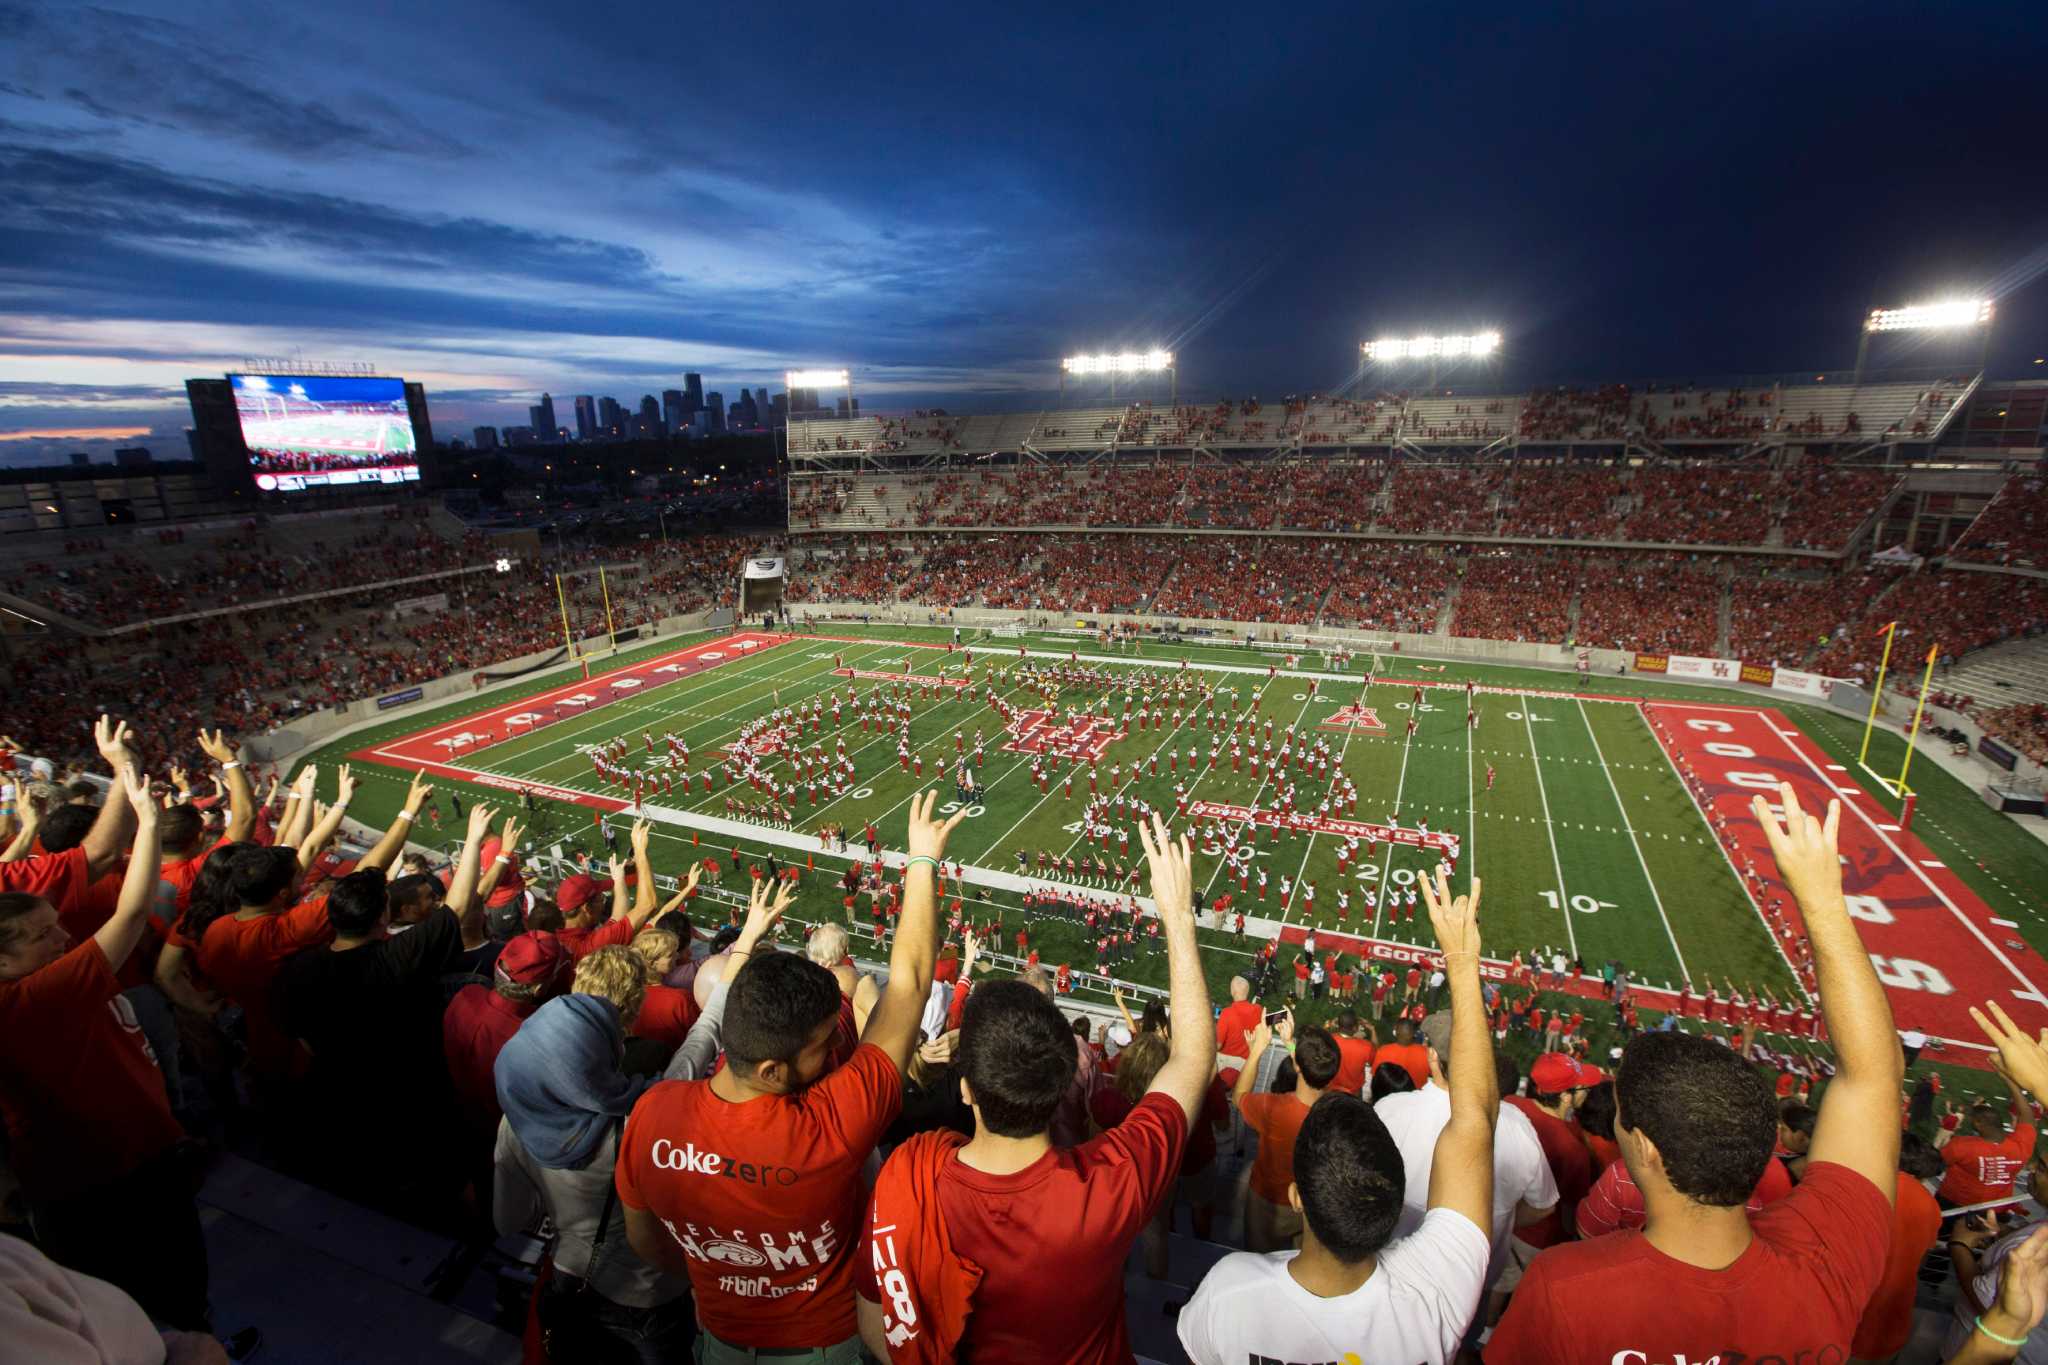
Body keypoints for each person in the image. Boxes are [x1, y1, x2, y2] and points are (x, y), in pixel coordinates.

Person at [1488, 783, 1904, 1362]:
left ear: (1649, 1149)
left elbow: (1873, 1077)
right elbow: (1874, 1078)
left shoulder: (1566, 1286)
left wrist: (1820, 903)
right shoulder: (1825, 1257)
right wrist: (1825, 905)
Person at [856, 811, 1216, 1362]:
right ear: (1061, 1084)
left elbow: (877, 1325)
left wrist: (922, 861)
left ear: (967, 1090)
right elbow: (1191, 1060)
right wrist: (1178, 919)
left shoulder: (910, 1170)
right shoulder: (1107, 1186)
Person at [616, 792, 963, 1364]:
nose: (833, 1055)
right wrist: (922, 860)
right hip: (823, 1342)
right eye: (823, 1044)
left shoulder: (654, 1111)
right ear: (773, 1067)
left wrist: (723, 1276)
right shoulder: (835, 1120)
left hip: (719, 1341)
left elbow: (644, 1242)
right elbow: (911, 982)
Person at [1181, 869, 1497, 1365]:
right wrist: (1462, 961)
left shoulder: (1228, 1291)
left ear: (1298, 1196)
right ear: (1395, 1205)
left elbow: (1477, 1118)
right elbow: (1475, 1118)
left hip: (1266, 1214)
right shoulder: (1435, 1294)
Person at [495, 874, 790, 1365]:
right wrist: (747, 940)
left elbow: (508, 1220)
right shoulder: (649, 1112)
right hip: (649, 1295)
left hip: (568, 1281)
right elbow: (706, 1031)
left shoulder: (516, 1123)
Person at [0, 759, 211, 1331]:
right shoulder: (29, 1000)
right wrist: (145, 820)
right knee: (164, 1285)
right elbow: (132, 911)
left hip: (112, 1159)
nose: (64, 937)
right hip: (110, 1171)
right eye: (44, 934)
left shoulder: (38, 989)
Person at [275, 802, 498, 1212]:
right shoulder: (395, 956)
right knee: (440, 1177)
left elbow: (303, 1040)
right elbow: (460, 906)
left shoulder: (300, 966)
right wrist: (473, 843)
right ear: (384, 917)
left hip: (339, 1090)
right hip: (407, 1085)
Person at [1232, 1008, 1342, 1251]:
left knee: (1259, 1261)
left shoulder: (1273, 1107)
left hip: (1269, 1200)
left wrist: (1257, 1050)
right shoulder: (1338, 1109)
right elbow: (1308, 1068)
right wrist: (1290, 1044)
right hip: (1311, 1205)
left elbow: (1239, 1096)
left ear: (1298, 1068)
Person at [1937, 1064, 2037, 1208]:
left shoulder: (1962, 1145)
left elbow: (1937, 1164)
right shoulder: (2021, 1147)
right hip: (1997, 1208)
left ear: (1978, 1123)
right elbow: (2028, 1116)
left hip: (1954, 1202)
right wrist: (2011, 1083)